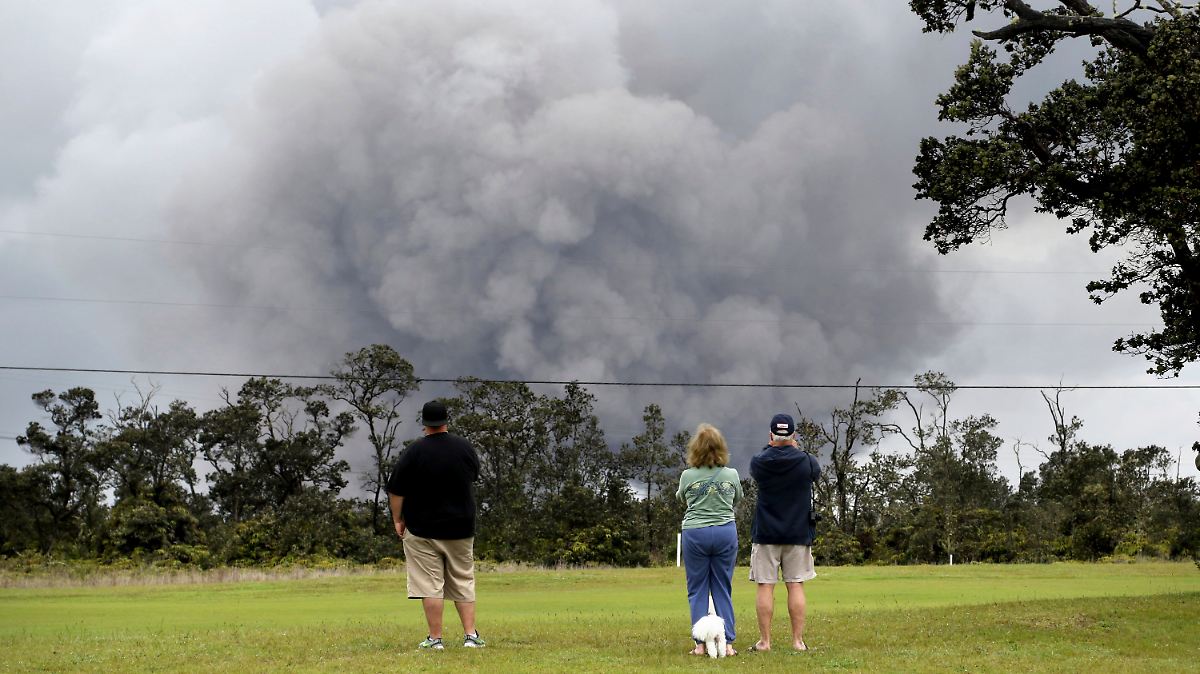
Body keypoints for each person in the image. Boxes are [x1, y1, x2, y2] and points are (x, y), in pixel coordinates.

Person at [386, 400, 485, 650]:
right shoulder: (464, 448)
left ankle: (435, 639)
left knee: (429, 585)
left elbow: (396, 490)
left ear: (424, 424)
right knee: (463, 580)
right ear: (446, 421)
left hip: (422, 528)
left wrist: (398, 519)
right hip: (461, 527)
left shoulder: (414, 451)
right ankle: (471, 636)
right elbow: (473, 476)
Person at [748, 413, 820, 653]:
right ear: (794, 435)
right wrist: (794, 449)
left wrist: (773, 447)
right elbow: (815, 474)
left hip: (767, 533)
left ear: (771, 435)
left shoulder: (760, 461)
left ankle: (765, 642)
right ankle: (798, 642)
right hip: (798, 533)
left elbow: (758, 465)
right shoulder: (807, 461)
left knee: (765, 586)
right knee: (796, 585)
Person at [676, 423, 744, 657]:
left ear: (695, 449)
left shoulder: (688, 475)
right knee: (722, 588)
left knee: (697, 589)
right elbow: (738, 497)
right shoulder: (731, 474)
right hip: (725, 531)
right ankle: (728, 644)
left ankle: (700, 644)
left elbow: (681, 497)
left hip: (695, 533)